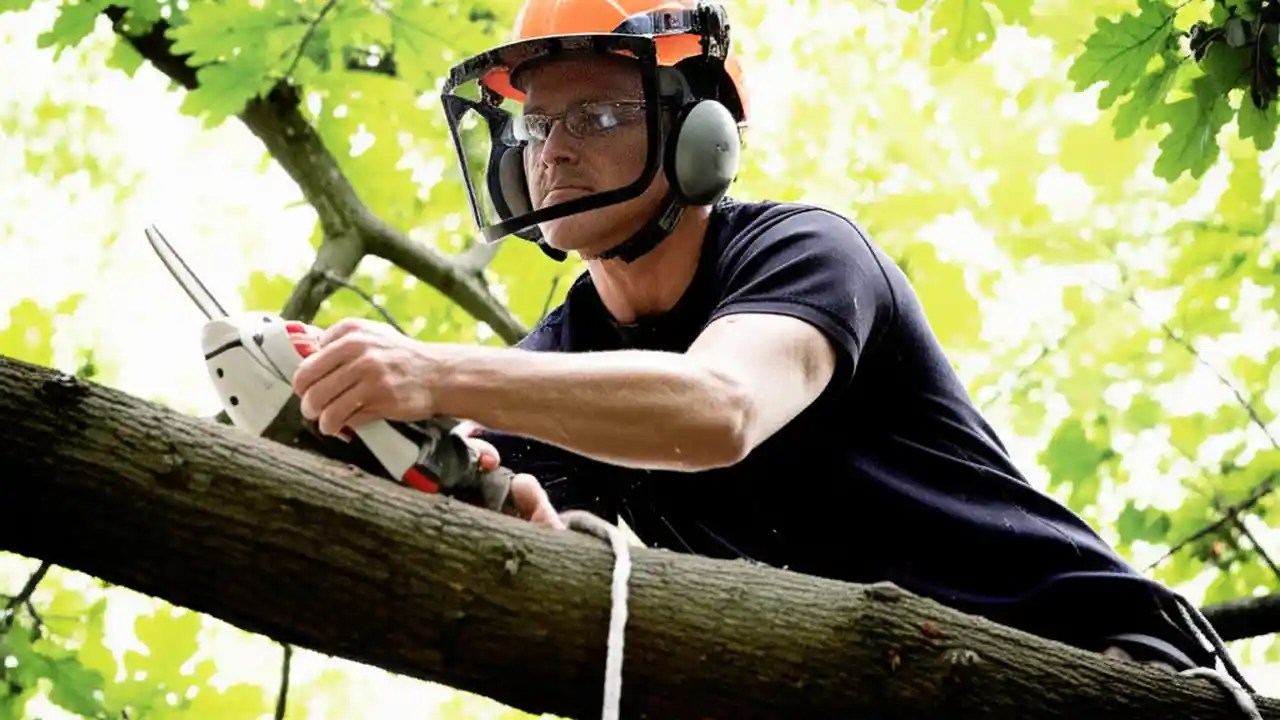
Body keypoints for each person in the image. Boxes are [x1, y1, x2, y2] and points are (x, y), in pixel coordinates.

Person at [289, 0, 1254, 691]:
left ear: (698, 131)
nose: (550, 150)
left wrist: (434, 373)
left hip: (1111, 668)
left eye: (592, 115)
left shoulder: (802, 251)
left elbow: (718, 410)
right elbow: (581, 583)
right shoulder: (555, 365)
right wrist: (483, 495)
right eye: (537, 124)